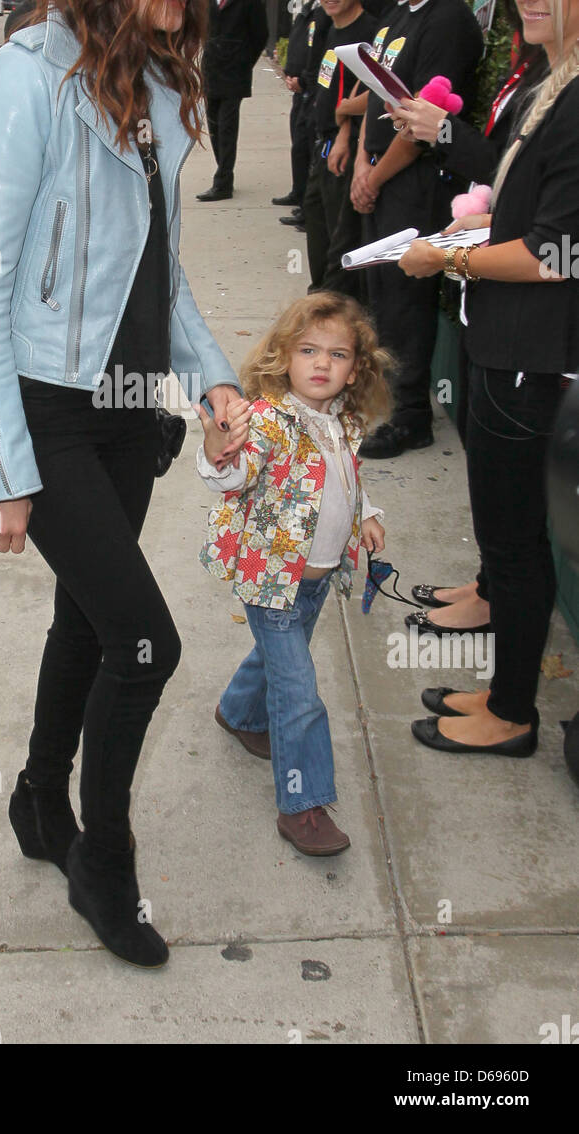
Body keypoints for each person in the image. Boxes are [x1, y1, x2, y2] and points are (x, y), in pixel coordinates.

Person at [0, 0, 244, 968]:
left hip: (130, 411)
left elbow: (159, 273)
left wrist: (209, 373)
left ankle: (37, 797)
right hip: (47, 410)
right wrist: (0, 468)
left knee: (85, 614)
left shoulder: (160, 82)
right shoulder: (22, 82)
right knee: (144, 640)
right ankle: (102, 860)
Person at [399, 0, 579, 755]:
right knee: (503, 533)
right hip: (500, 339)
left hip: (528, 348)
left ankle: (512, 716)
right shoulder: (550, 82)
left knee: (513, 539)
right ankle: (505, 694)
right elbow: (519, 208)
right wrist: (465, 237)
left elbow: (553, 253)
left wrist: (451, 261)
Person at [196, 293, 390, 854]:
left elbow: (343, 477)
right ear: (283, 356)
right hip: (272, 585)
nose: (322, 364)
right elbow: (234, 474)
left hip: (318, 581)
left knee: (278, 662)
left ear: (356, 368)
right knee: (299, 691)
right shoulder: (269, 421)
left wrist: (367, 513)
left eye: (338, 354)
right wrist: (218, 452)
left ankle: (236, 712)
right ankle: (303, 805)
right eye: (308, 350)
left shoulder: (342, 420)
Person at [350, 0, 485, 459]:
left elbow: (426, 120)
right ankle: (386, 401)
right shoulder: (396, 18)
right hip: (378, 175)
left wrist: (375, 176)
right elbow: (376, 96)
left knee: (406, 299)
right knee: (380, 297)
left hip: (414, 182)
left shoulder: (447, 22)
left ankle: (410, 417)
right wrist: (361, 159)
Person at [301, 0, 378, 289]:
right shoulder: (332, 27)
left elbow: (376, 93)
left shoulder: (370, 33)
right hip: (322, 146)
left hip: (345, 151)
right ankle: (318, 299)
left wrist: (345, 132)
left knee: (340, 244)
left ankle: (332, 310)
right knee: (316, 229)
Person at [197, 0, 269, 200]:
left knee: (228, 128)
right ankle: (223, 170)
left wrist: (243, 62)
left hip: (235, 75)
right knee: (215, 127)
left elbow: (260, 36)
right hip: (211, 71)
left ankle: (223, 182)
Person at [274, 0, 326, 215]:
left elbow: (319, 55)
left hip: (310, 91)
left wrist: (303, 82)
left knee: (309, 148)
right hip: (299, 89)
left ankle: (308, 205)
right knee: (298, 145)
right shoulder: (311, 6)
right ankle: (299, 193)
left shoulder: (325, 13)